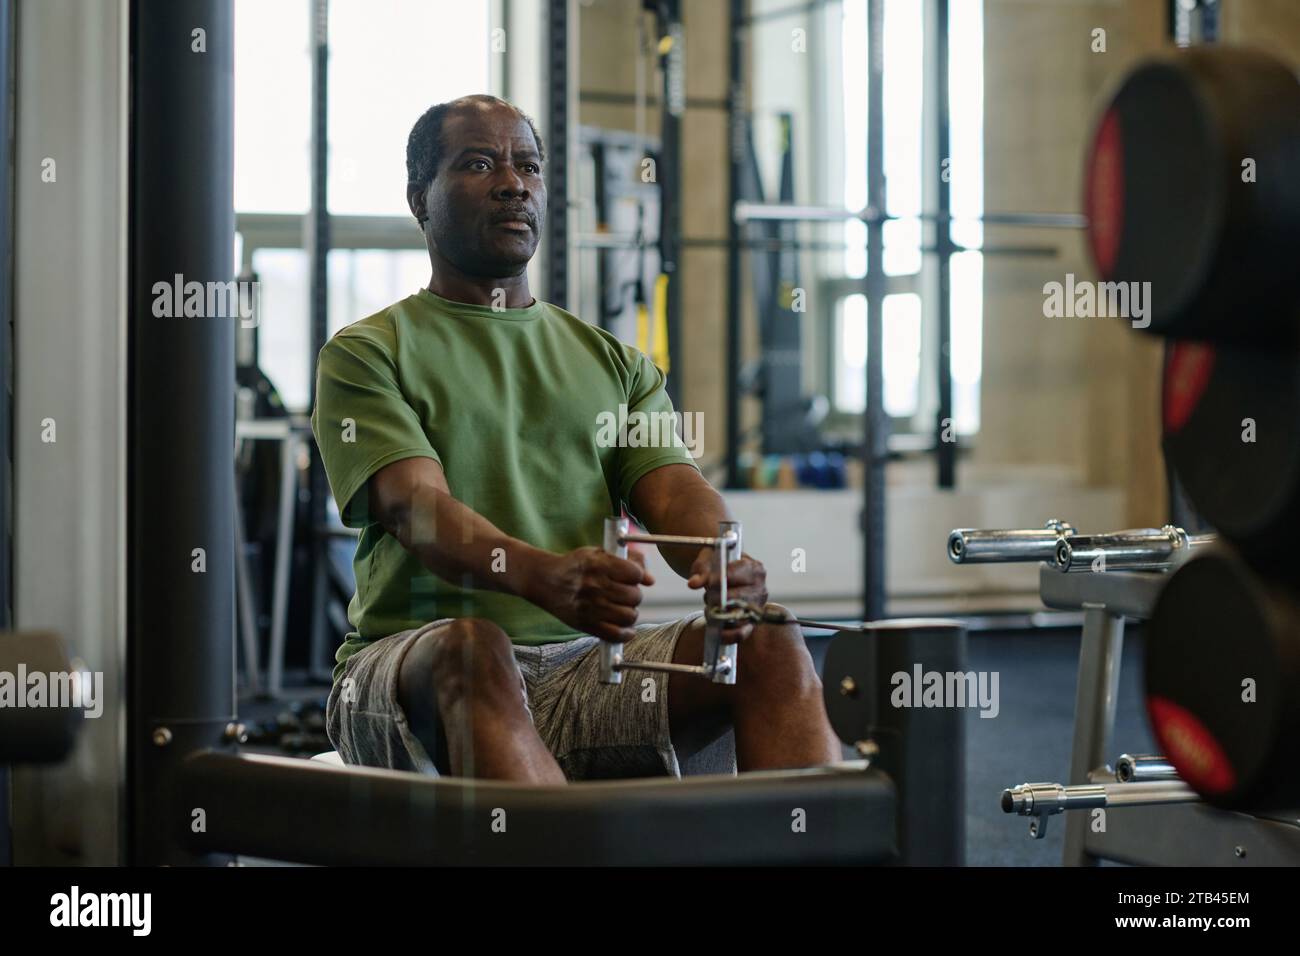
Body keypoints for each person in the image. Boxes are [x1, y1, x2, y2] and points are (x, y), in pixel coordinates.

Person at [311, 94, 839, 783]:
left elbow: (674, 487)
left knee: (769, 638)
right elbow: (416, 508)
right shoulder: (366, 352)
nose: (512, 182)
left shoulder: (614, 363)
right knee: (475, 648)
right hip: (411, 667)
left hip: (583, 670)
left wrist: (719, 558)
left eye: (527, 166)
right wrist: (541, 577)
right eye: (478, 164)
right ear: (420, 199)